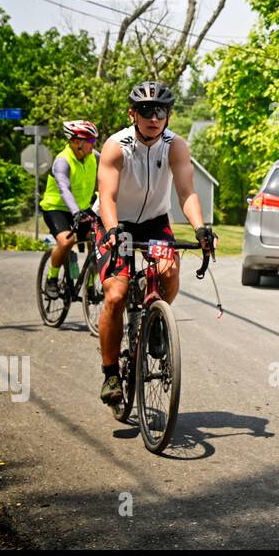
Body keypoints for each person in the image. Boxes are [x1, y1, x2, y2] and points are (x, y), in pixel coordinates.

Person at [93, 81, 216, 406]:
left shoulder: (175, 146)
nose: (153, 117)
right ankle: (110, 374)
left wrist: (201, 227)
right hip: (115, 220)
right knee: (116, 295)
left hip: (154, 221)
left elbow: (187, 192)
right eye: (146, 111)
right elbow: (107, 196)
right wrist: (112, 230)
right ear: (133, 113)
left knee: (169, 272)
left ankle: (157, 320)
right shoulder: (116, 146)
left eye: (160, 111)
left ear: (168, 115)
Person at [38, 121, 100, 297]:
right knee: (66, 241)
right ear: (75, 141)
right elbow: (64, 189)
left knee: (100, 242)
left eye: (94, 140)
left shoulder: (94, 157)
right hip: (56, 208)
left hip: (82, 208)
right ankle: (52, 278)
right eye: (89, 140)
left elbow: (112, 170)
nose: (92, 144)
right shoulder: (62, 161)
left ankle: (89, 284)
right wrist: (76, 212)